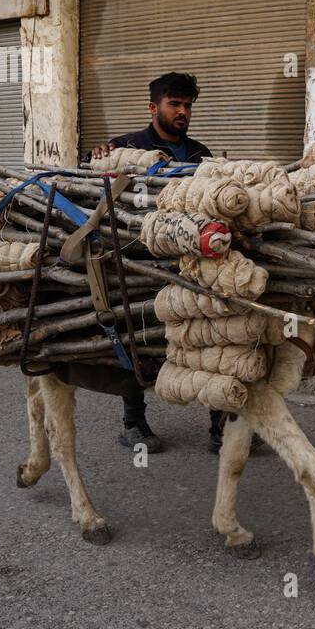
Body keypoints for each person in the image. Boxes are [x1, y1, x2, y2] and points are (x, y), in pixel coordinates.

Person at [86, 72, 229, 454]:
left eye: (188, 106)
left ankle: (220, 426)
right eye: (175, 104)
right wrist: (98, 156)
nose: (183, 112)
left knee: (211, 336)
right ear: (154, 108)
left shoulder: (200, 154)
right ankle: (133, 421)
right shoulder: (128, 146)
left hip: (190, 258)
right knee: (137, 333)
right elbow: (90, 175)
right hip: (138, 258)